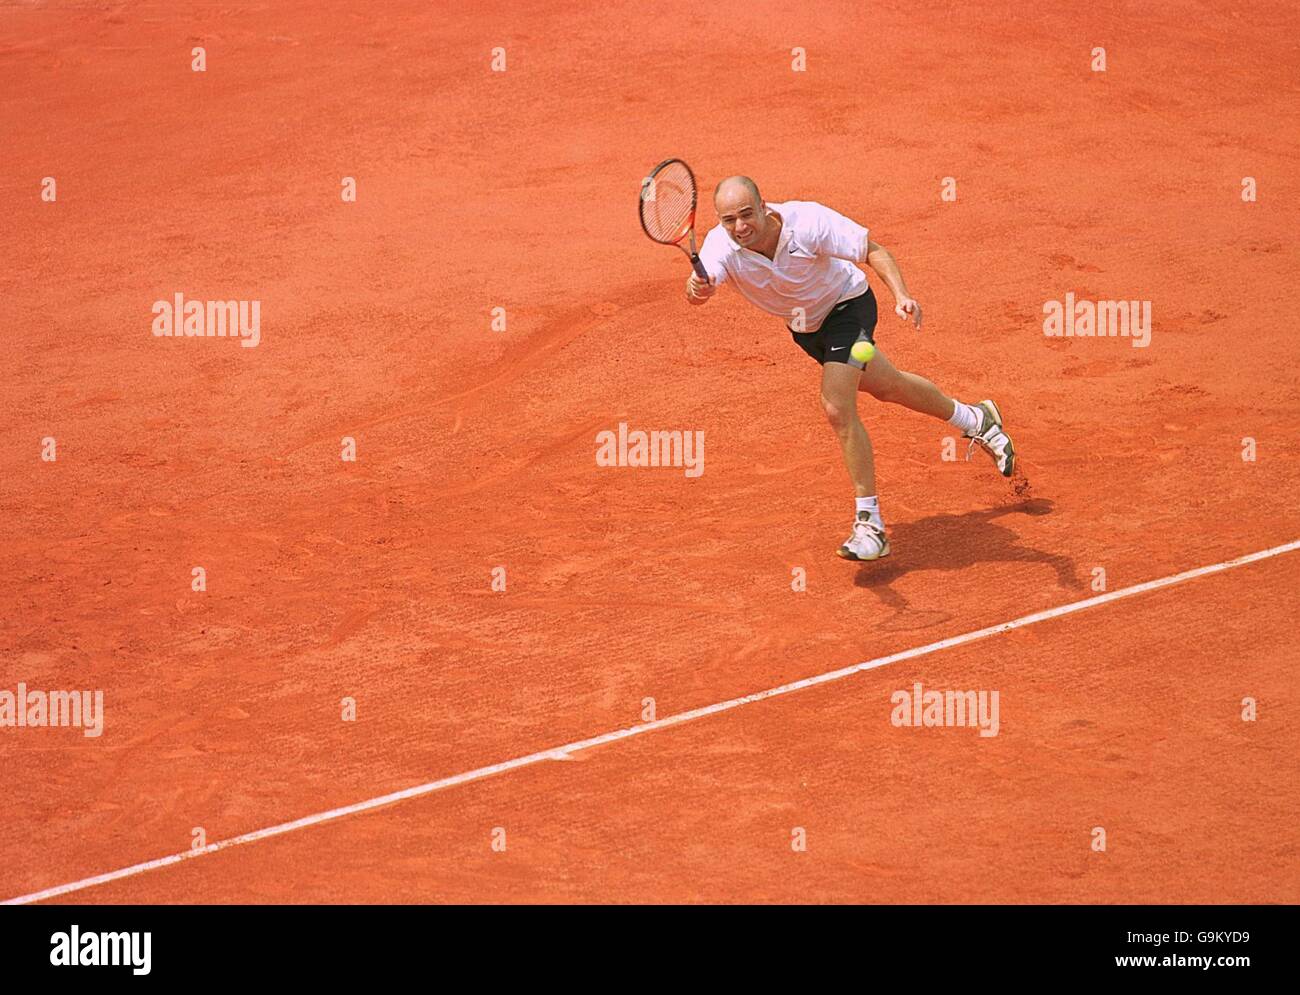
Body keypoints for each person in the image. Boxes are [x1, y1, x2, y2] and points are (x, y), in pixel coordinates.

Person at [688, 175, 1015, 561]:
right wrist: (699, 290)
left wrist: (902, 295)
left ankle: (870, 525)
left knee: (837, 407)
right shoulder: (719, 247)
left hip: (850, 309)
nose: (740, 226)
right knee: (889, 386)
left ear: (765, 206)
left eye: (747, 214)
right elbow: (700, 290)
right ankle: (976, 419)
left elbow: (874, 250)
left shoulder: (807, 221)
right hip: (807, 331)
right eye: (729, 219)